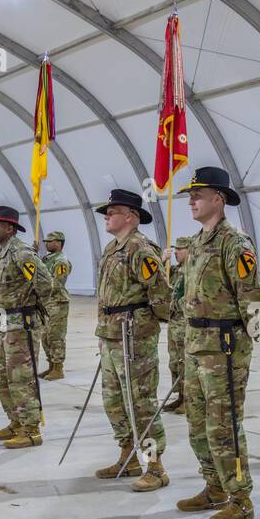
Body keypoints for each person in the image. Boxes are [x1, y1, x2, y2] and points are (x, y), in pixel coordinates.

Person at [175, 167, 260, 519]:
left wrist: (242, 348)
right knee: (197, 424)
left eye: (199, 194)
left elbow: (253, 301)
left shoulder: (235, 243)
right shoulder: (196, 243)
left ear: (219, 199)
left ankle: (241, 499)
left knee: (224, 426)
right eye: (190, 195)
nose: (192, 200)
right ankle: (214, 486)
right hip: (196, 346)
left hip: (225, 349)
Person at [92, 190, 171, 492]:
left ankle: (155, 465)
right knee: (114, 402)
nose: (107, 217)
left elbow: (160, 294)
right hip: (110, 337)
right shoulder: (113, 248)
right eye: (107, 212)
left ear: (131, 216)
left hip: (134, 338)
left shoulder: (140, 248)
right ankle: (128, 455)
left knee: (141, 404)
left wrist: (146, 328)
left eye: (113, 211)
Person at [0, 205, 53, 449]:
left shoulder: (21, 253)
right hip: (4, 321)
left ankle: (31, 429)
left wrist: (27, 305)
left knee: (21, 378)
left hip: (21, 323)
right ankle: (16, 421)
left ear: (10, 228)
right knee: (3, 376)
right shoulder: (3, 252)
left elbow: (45, 285)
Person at [37, 230, 71, 381]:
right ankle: (51, 365)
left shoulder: (61, 261)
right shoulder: (47, 258)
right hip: (46, 303)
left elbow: (56, 283)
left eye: (50, 241)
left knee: (55, 336)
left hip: (57, 302)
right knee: (45, 337)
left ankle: (58, 368)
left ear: (59, 242)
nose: (47, 243)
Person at [165, 235, 193, 415]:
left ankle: (189, 400)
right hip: (174, 322)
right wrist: (162, 261)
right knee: (175, 361)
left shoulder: (192, 272)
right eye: (175, 249)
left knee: (185, 362)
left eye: (180, 249)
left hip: (185, 322)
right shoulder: (175, 271)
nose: (176, 252)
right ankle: (180, 396)